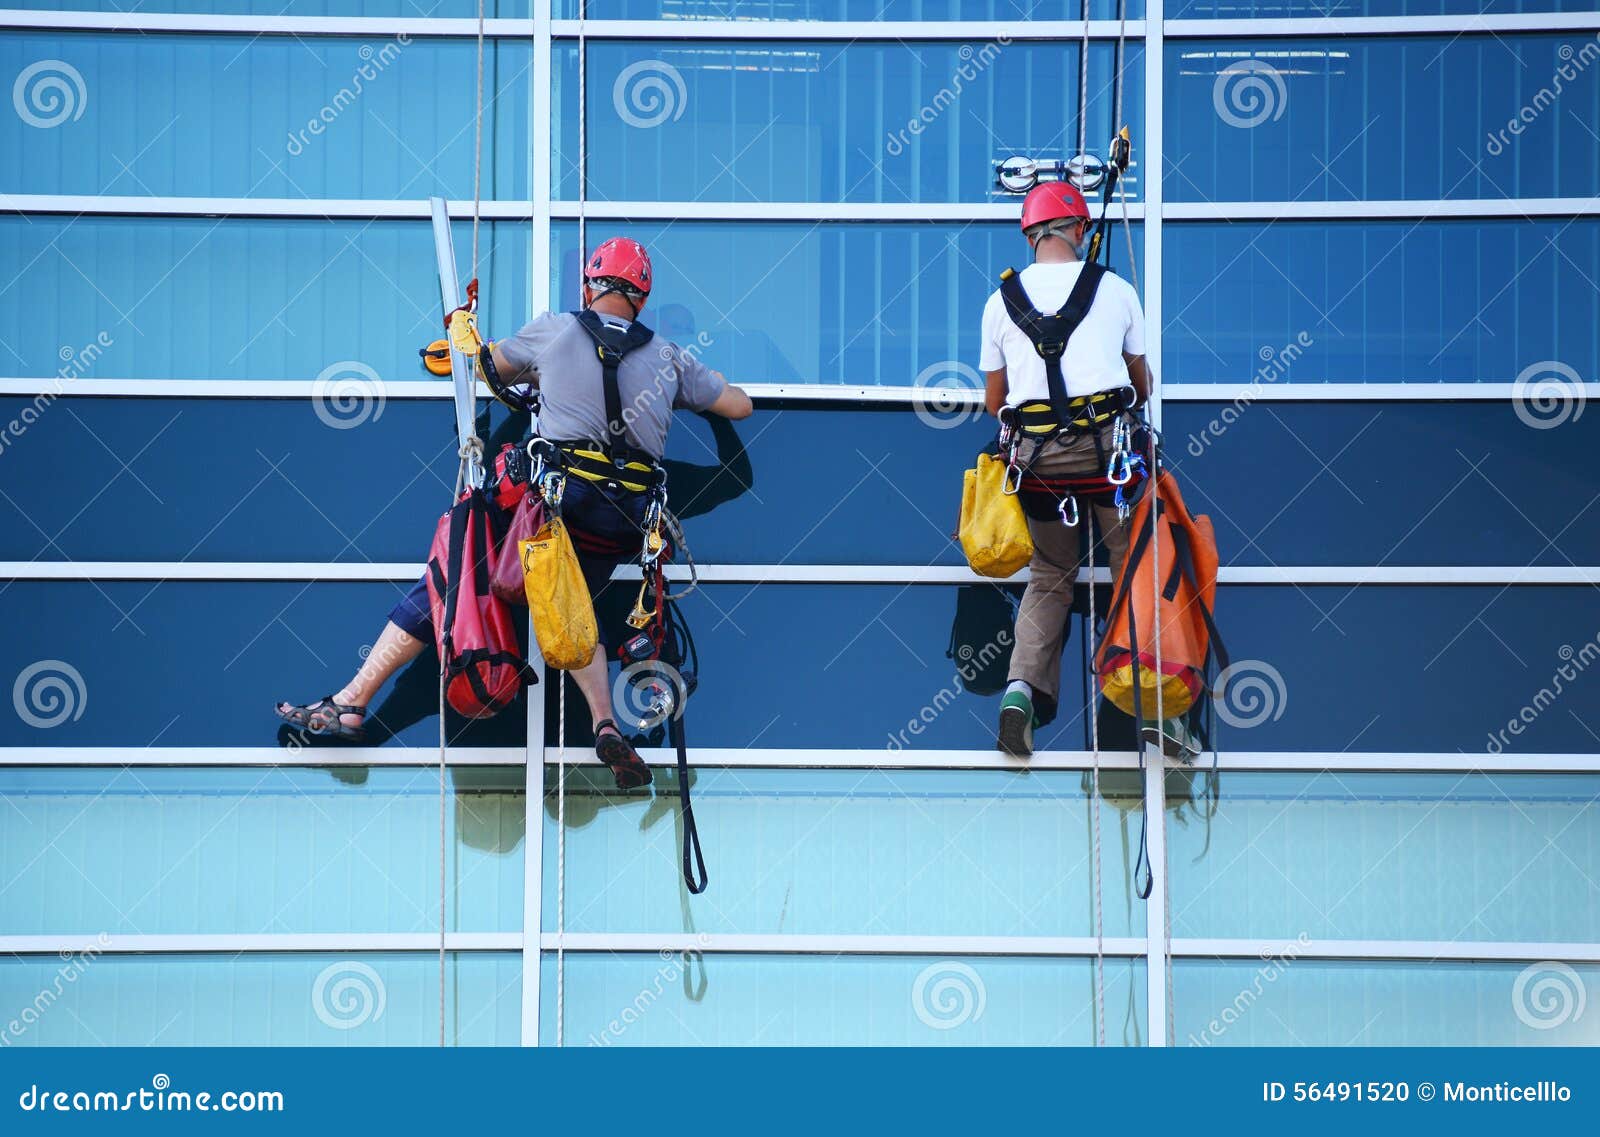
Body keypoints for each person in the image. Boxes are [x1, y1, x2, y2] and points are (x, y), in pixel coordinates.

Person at [277, 236, 754, 788]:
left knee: (453, 571)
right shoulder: (669, 357)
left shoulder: (555, 330)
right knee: (575, 605)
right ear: (642, 297)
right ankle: (605, 723)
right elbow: (738, 405)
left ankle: (353, 700)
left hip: (557, 506)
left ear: (589, 285)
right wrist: (685, 396)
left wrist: (508, 359)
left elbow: (490, 368)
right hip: (623, 522)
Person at [979, 181, 1192, 761]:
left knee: (1051, 573)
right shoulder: (1117, 290)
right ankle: (1157, 707)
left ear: (1029, 234)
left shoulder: (1001, 303)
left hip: (1040, 467)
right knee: (1134, 568)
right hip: (1108, 464)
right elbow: (1141, 386)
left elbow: (995, 400)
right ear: (1080, 231)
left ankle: (1019, 694)